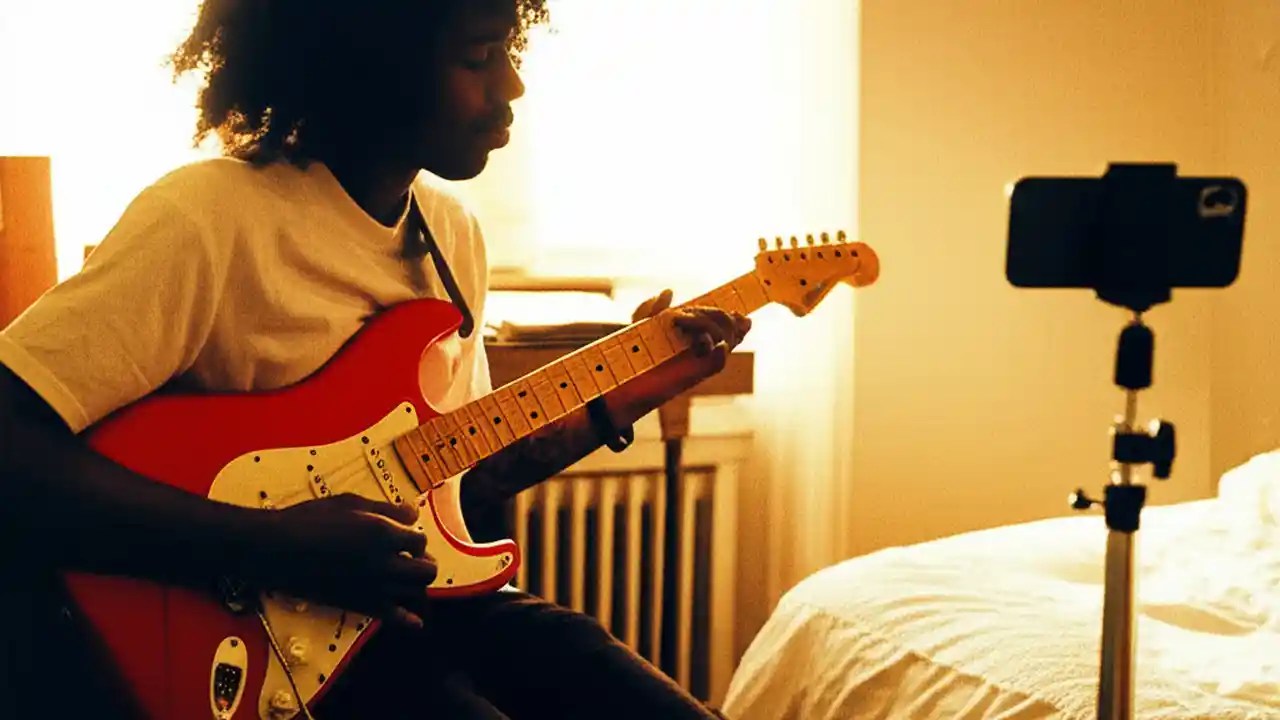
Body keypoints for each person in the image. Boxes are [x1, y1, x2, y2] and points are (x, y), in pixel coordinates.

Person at [0, 0, 751, 718]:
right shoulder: (208, 219)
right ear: (371, 64)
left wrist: (620, 397)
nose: (512, 86)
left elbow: (461, 474)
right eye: (479, 58)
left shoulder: (451, 236)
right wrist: (269, 546)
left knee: (606, 673)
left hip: (410, 605)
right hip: (259, 630)